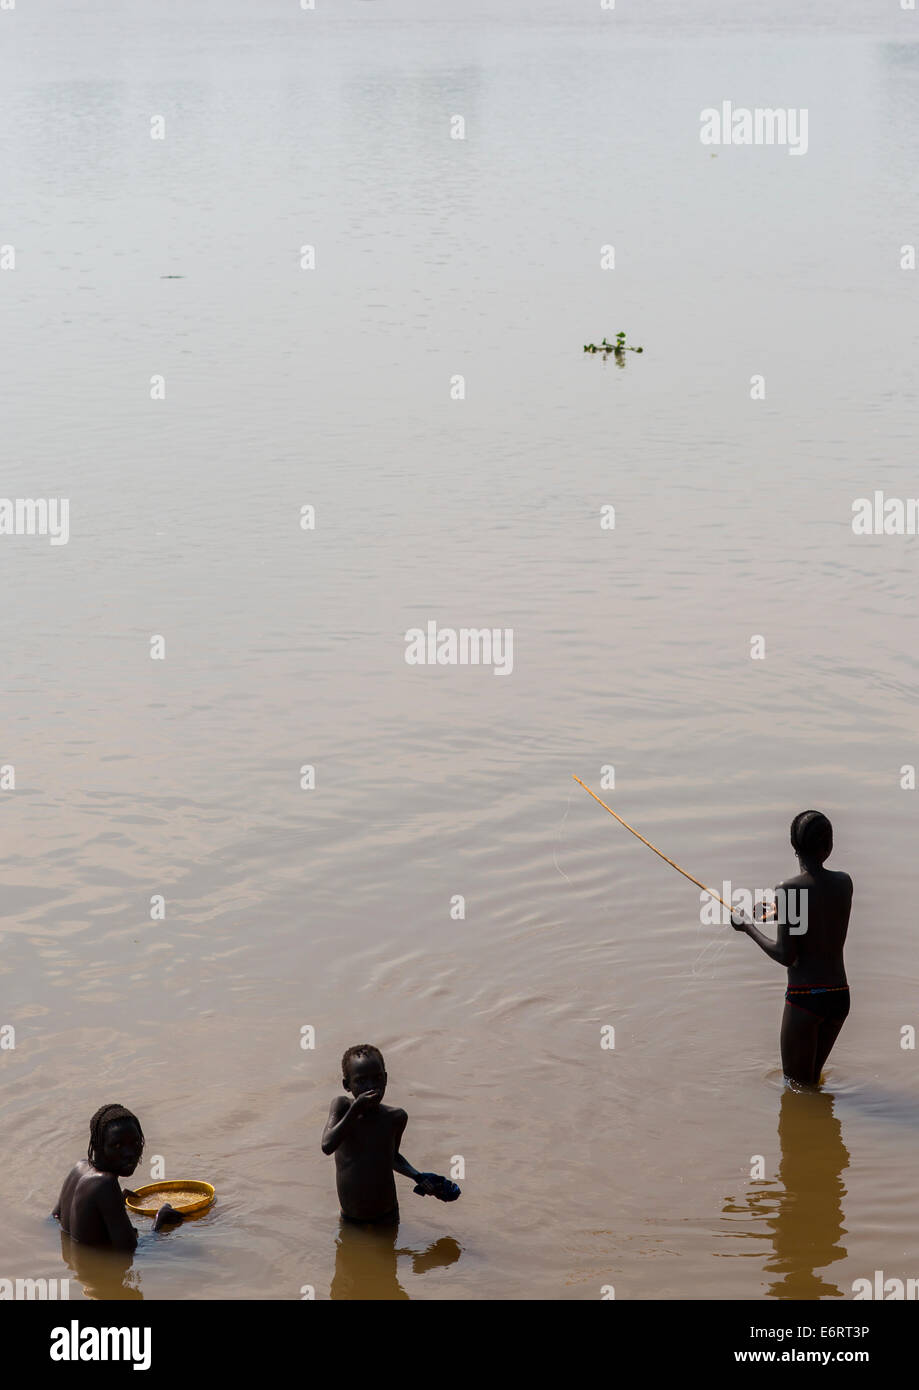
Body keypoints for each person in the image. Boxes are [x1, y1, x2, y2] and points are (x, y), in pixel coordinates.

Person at [733, 811, 852, 1086]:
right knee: (811, 1082)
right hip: (838, 998)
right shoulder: (844, 883)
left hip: (806, 999)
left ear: (793, 847)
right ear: (829, 846)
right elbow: (821, 917)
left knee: (796, 1087)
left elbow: (786, 955)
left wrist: (747, 928)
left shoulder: (788, 889)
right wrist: (779, 913)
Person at [321, 1045, 461, 1223]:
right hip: (352, 1218)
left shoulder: (395, 1118)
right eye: (361, 1081)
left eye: (377, 1078)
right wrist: (356, 1109)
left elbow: (391, 1157)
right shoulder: (342, 1107)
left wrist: (418, 1176)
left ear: (386, 1079)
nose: (371, 1086)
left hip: (387, 1214)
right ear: (347, 1085)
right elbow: (327, 1145)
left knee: (388, 1251)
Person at [52, 1104, 179, 1248]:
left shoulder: (79, 1167)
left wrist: (112, 1202)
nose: (129, 1154)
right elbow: (129, 1251)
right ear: (97, 1145)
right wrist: (159, 1223)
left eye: (136, 1142)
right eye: (117, 1146)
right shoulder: (105, 1184)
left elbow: (55, 1218)